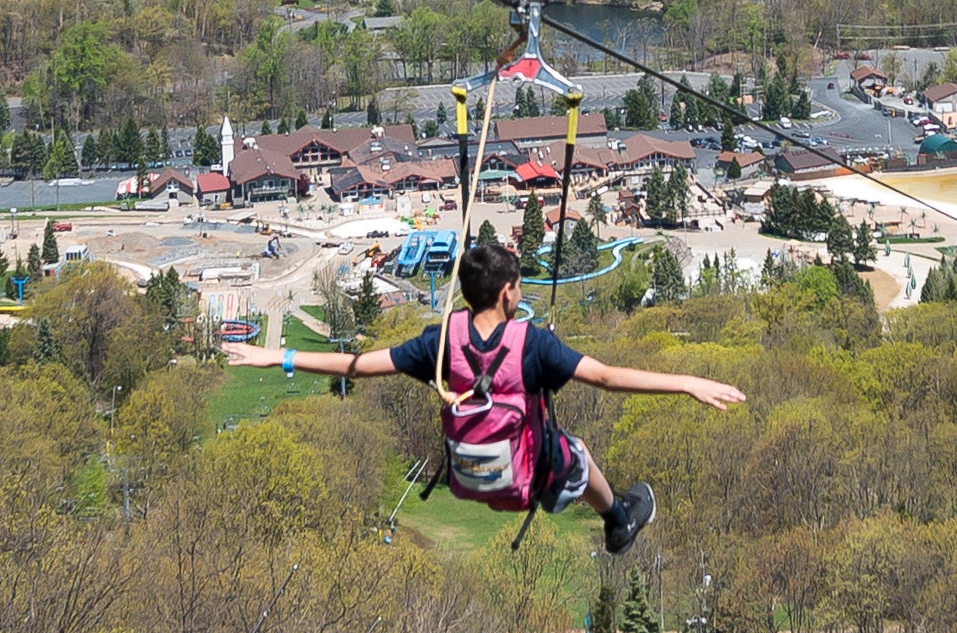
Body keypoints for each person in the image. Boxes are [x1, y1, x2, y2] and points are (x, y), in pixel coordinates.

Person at [221, 238, 742, 555]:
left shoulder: (441, 341)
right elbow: (605, 377)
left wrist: (281, 357)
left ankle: (613, 513)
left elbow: (357, 368)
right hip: (531, 475)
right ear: (507, 293)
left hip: (470, 479)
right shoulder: (532, 346)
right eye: (516, 286)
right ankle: (619, 520)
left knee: (565, 449)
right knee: (575, 453)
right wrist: (687, 383)